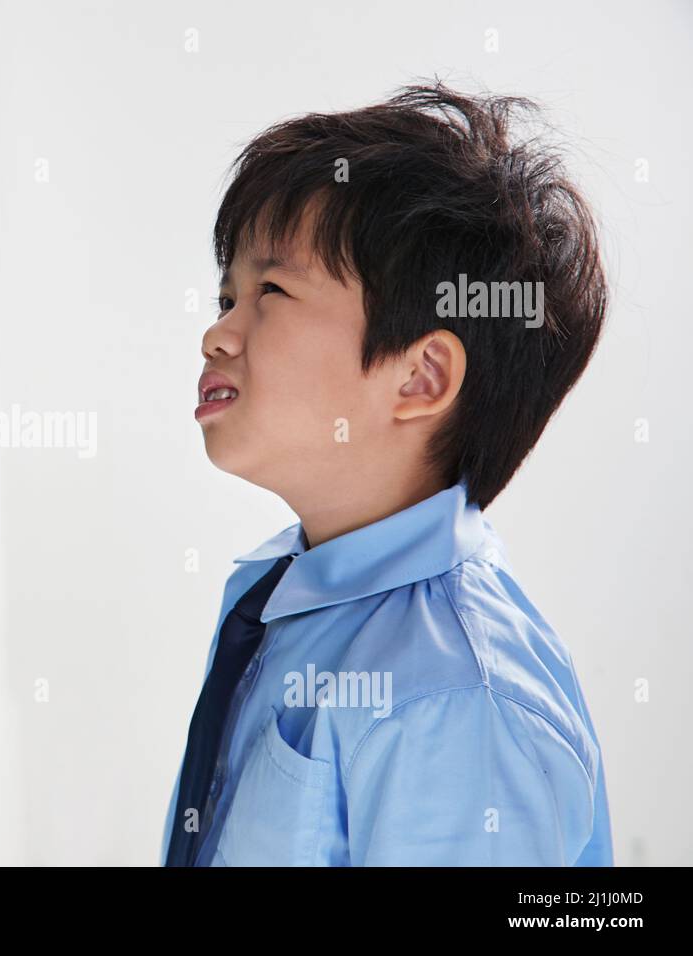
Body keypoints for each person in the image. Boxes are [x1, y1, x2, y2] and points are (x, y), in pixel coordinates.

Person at [163, 83, 612, 866]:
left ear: (420, 379)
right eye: (225, 294)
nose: (216, 332)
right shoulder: (285, 590)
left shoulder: (457, 704)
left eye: (269, 291)